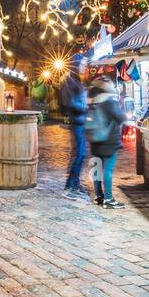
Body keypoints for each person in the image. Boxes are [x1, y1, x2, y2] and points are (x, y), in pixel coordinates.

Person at [87, 73, 127, 208]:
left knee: (97, 169)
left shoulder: (92, 101)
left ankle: (99, 196)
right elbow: (121, 117)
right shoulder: (109, 101)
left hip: (95, 140)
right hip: (108, 141)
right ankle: (109, 199)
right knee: (108, 169)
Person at [59, 55, 89, 199]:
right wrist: (85, 105)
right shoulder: (68, 81)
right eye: (82, 64)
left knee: (81, 154)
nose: (84, 67)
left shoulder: (77, 80)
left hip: (81, 121)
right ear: (76, 65)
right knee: (79, 154)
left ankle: (75, 183)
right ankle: (70, 186)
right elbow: (68, 102)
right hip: (77, 121)